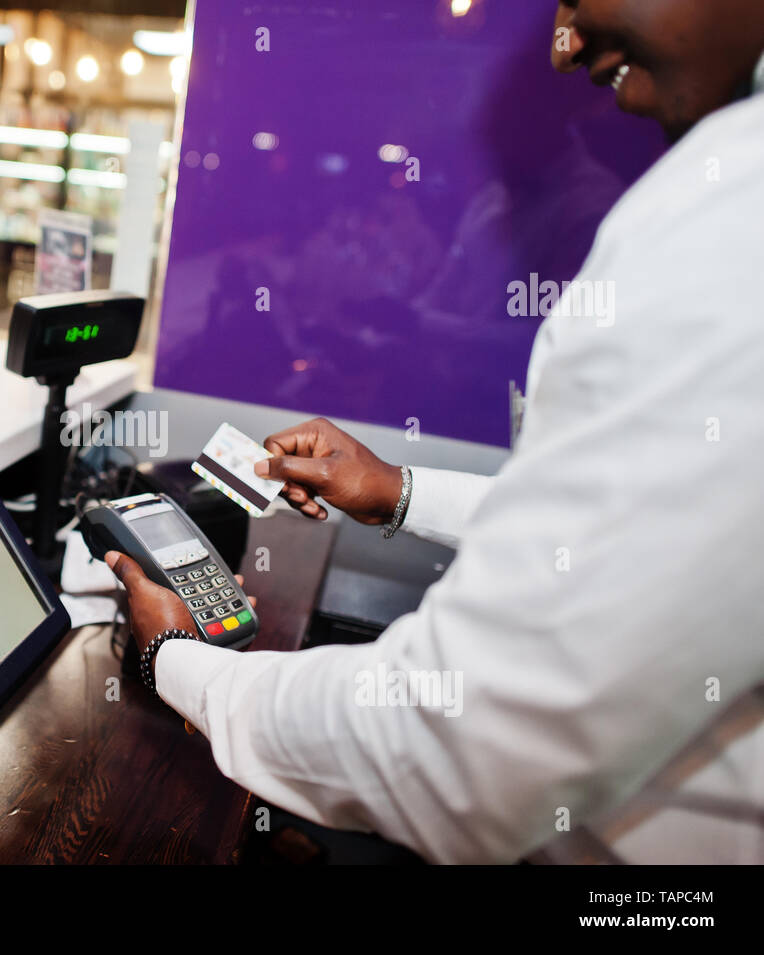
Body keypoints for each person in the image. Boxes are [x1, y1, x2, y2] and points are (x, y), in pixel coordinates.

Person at [107, 1, 764, 863]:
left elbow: (458, 744)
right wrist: (399, 491)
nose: (563, 45)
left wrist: (185, 667)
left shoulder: (724, 214)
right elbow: (643, 532)